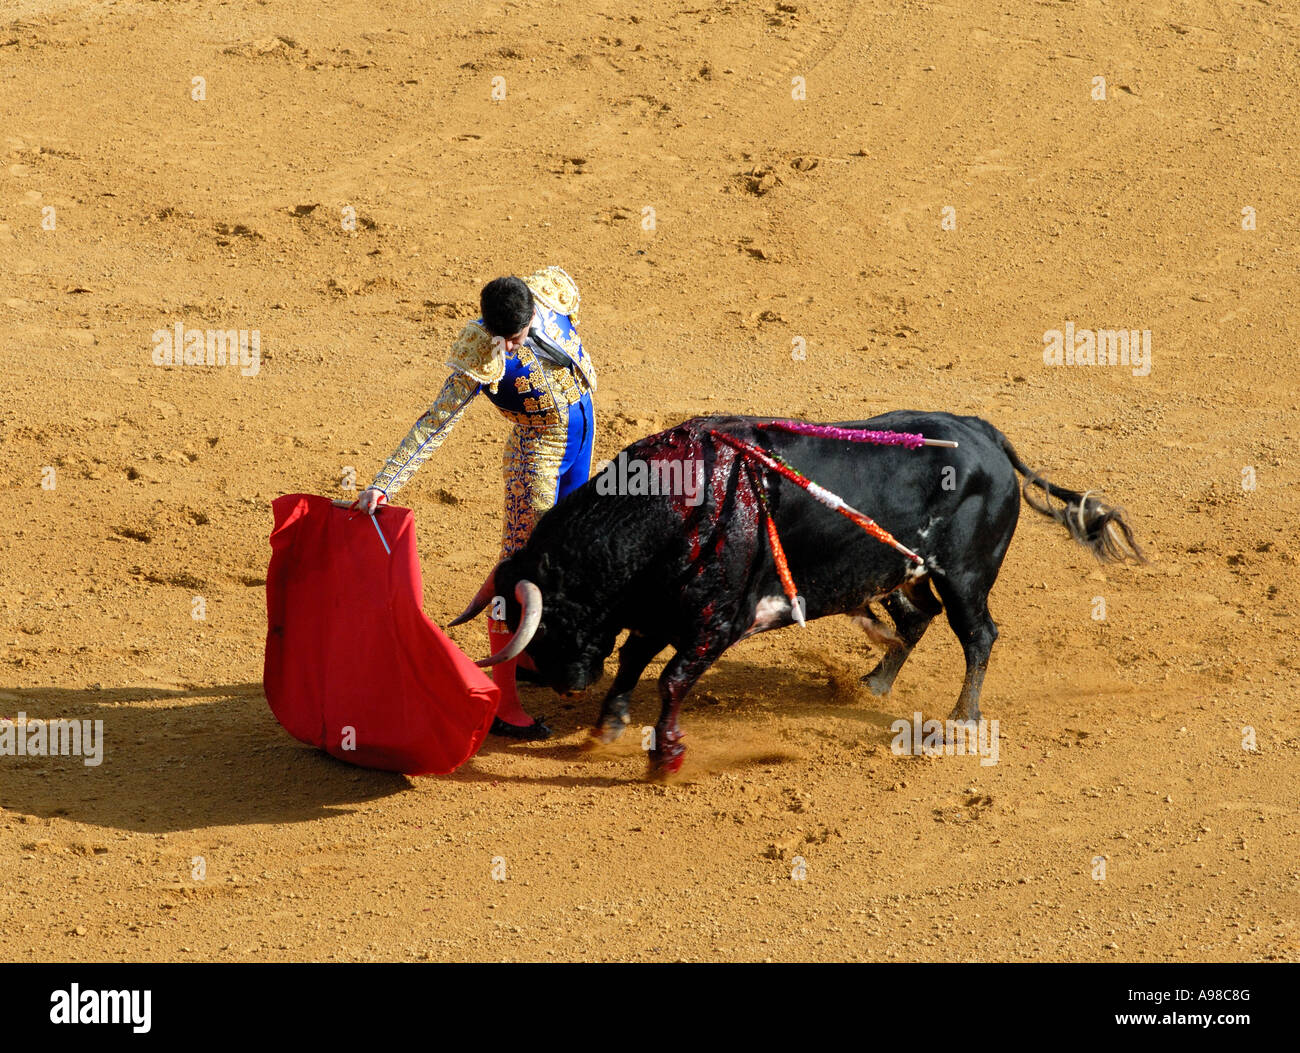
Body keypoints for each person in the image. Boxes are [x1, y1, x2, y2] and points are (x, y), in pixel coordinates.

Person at [355, 267, 596, 740]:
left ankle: (528, 655)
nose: (507, 347)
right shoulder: (479, 349)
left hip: (581, 441)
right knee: (516, 572)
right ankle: (503, 704)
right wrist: (385, 483)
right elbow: (437, 420)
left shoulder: (551, 291)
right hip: (537, 458)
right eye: (500, 336)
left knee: (568, 553)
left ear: (532, 312)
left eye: (516, 335)